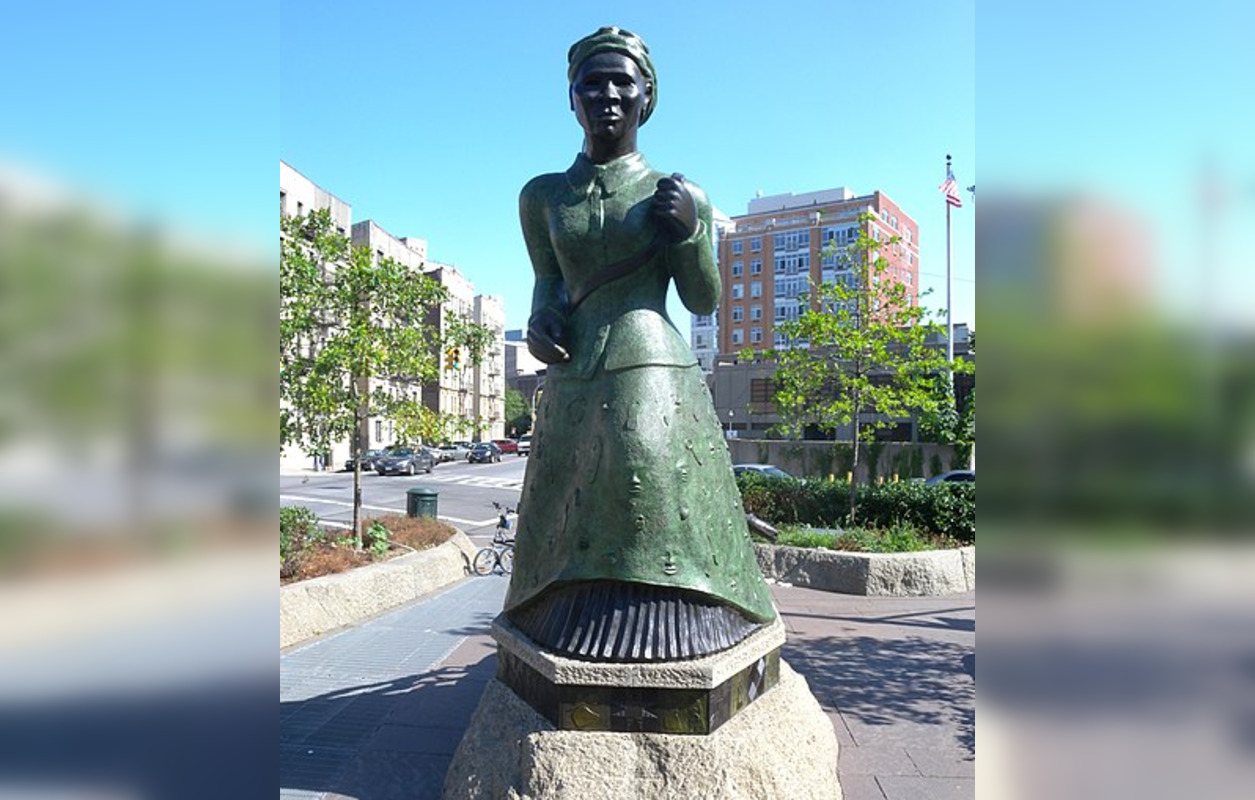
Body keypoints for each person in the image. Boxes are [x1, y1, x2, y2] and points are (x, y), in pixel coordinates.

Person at [504, 27, 776, 662]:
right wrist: (542, 322)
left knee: (650, 488)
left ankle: (673, 629)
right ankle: (563, 621)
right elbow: (549, 282)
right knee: (567, 508)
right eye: (591, 82)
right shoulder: (542, 195)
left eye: (622, 82)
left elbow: (702, 298)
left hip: (650, 362)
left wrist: (687, 233)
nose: (606, 94)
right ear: (570, 97)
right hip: (572, 376)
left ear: (646, 95)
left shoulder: (679, 194)